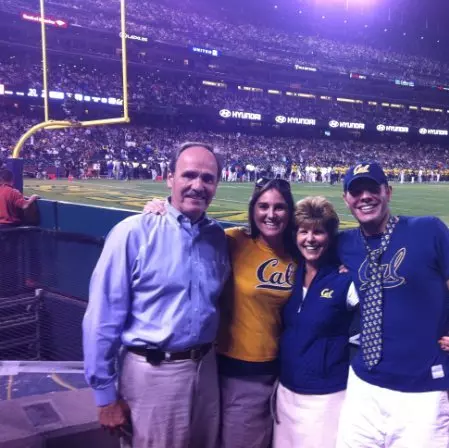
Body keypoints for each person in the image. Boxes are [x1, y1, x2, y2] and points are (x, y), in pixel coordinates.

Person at [83, 142, 230, 448]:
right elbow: (102, 318)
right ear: (169, 178)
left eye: (208, 178)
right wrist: (105, 395)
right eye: (188, 175)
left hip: (206, 370)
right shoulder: (133, 232)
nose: (197, 185)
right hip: (153, 374)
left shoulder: (218, 237)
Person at [143, 177, 298, 448]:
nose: (270, 214)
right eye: (263, 206)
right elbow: (189, 237)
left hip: (274, 372)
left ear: (290, 211)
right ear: (252, 210)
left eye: (279, 207)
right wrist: (162, 210)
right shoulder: (233, 240)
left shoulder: (298, 252)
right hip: (222, 366)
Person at [336, 162, 449, 448]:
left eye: (373, 188)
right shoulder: (344, 244)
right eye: (356, 191)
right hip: (363, 387)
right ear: (346, 199)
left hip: (423, 392)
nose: (365, 196)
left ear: (388, 191)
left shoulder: (428, 230)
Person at [274, 196, 358, 448]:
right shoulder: (289, 269)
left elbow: (389, 310)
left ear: (330, 236)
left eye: (318, 232)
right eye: (303, 231)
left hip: (327, 397)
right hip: (286, 391)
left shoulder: (345, 278)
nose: (310, 239)